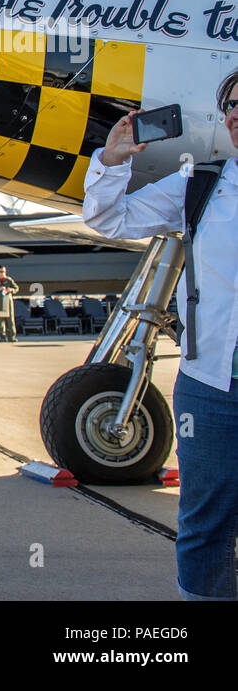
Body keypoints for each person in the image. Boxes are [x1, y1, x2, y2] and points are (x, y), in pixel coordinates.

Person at [84, 71, 238, 601]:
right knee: (204, 525)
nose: (237, 112)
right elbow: (109, 218)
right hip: (212, 387)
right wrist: (114, 159)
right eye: (232, 105)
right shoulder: (204, 185)